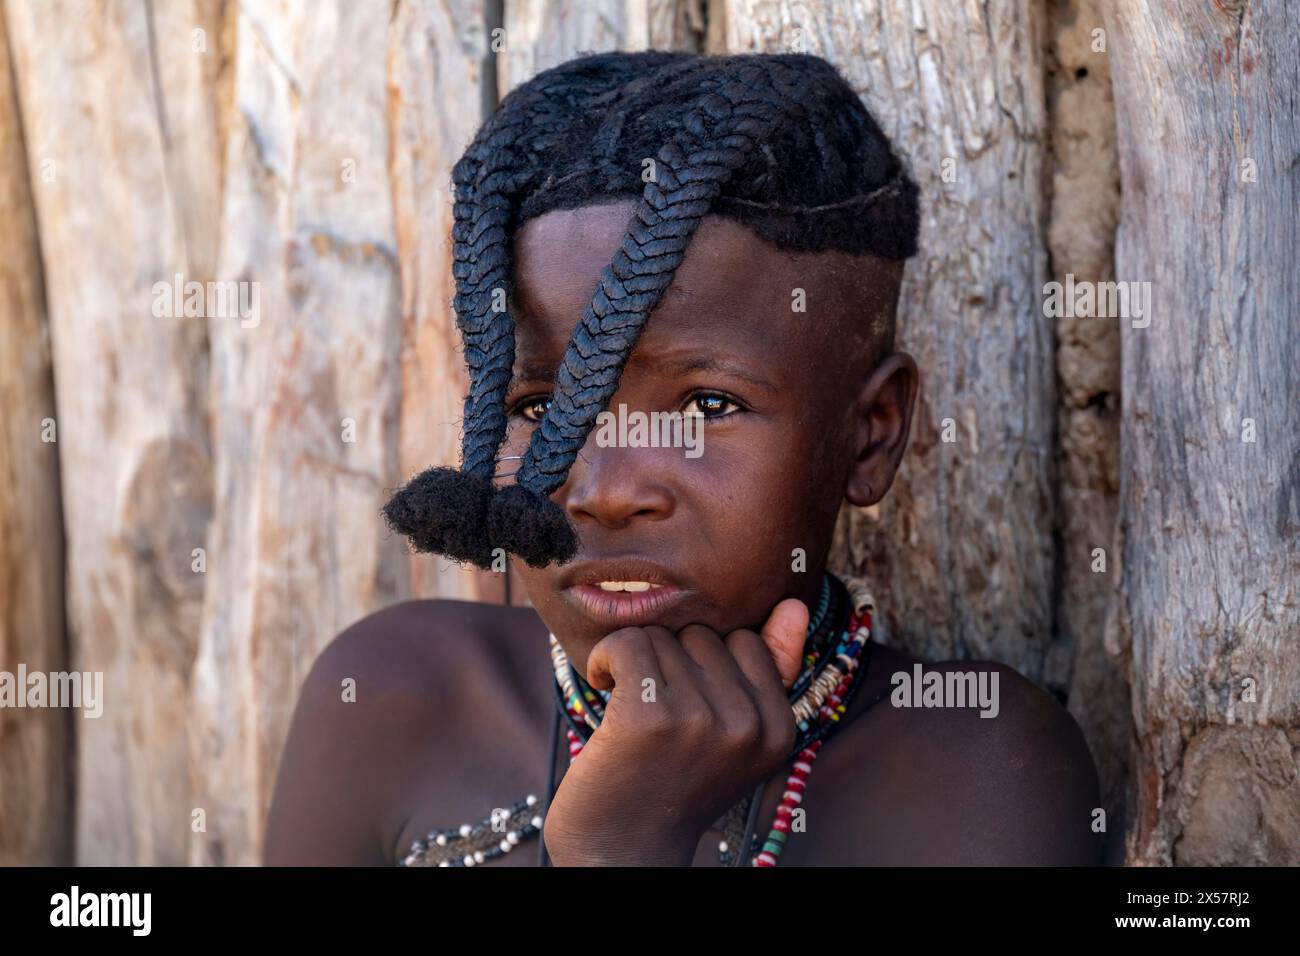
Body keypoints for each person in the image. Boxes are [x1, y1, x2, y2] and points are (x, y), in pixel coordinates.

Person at [264, 51, 1102, 867]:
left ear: (872, 431)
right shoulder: (393, 703)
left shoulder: (976, 775)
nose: (606, 493)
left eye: (706, 407)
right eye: (542, 409)